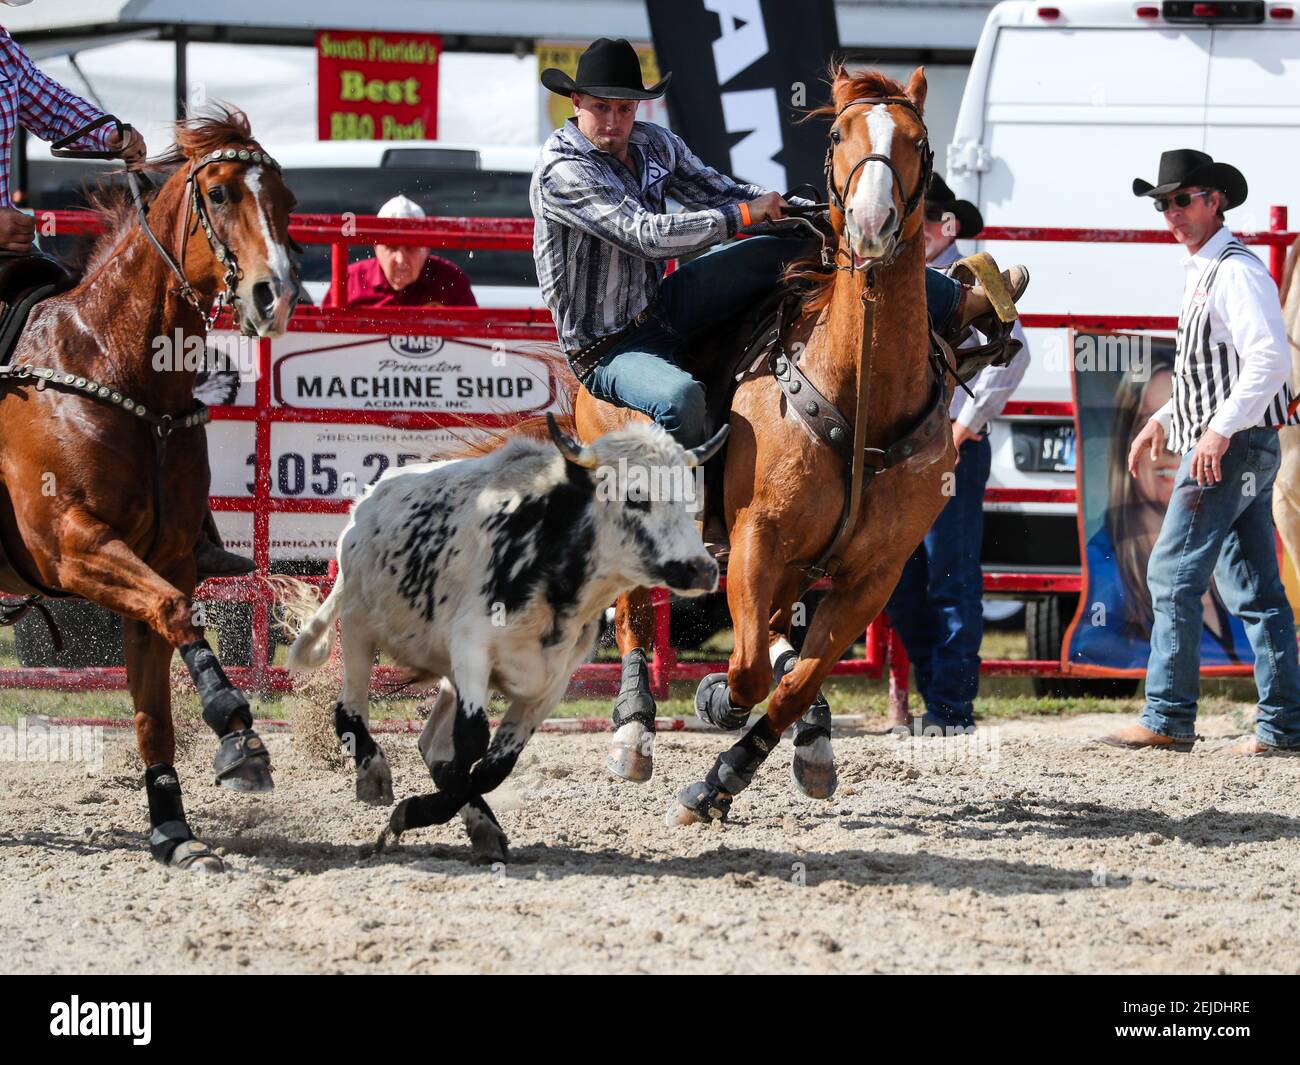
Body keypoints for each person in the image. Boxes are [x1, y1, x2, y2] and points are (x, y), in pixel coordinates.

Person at [529, 38, 1029, 465]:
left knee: (796, 240)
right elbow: (646, 235)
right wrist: (747, 216)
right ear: (576, 101)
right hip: (608, 345)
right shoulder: (562, 170)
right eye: (603, 106)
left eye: (625, 106)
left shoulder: (653, 143)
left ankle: (956, 303)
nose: (615, 119)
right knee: (680, 400)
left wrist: (812, 211)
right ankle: (681, 520)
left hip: (660, 305)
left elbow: (718, 189)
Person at [0, 15, 250, 578]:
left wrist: (110, 133)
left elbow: (50, 105)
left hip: (10, 257)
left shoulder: (3, 50)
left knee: (97, 344)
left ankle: (186, 526)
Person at [1099, 149, 1300, 755]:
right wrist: (1165, 417)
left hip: (1228, 448)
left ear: (1215, 200)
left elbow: (1270, 360)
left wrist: (1215, 431)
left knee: (1171, 575)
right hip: (1244, 443)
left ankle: (1168, 716)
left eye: (1181, 200)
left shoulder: (1232, 271)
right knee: (1255, 589)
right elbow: (1220, 371)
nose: (1171, 213)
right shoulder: (1219, 268)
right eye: (1163, 203)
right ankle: (1283, 725)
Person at [884, 175, 1031, 735]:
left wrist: (960, 430)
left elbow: (1014, 355)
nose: (908, 229)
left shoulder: (977, 275)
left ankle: (949, 707)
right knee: (901, 580)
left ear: (946, 226)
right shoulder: (907, 276)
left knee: (947, 574)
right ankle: (937, 698)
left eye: (920, 219)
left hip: (948, 449)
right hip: (905, 450)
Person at [1070, 349, 1247, 669]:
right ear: (1129, 438)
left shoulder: (1229, 548)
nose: (1168, 443)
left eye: (1188, 423)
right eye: (1151, 423)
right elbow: (1093, 653)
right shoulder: (1105, 559)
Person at [328, 194, 476, 309]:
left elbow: (473, 337)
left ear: (427, 249)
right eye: (391, 248)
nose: (400, 259)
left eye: (410, 248)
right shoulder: (350, 280)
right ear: (376, 248)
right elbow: (324, 338)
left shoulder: (451, 281)